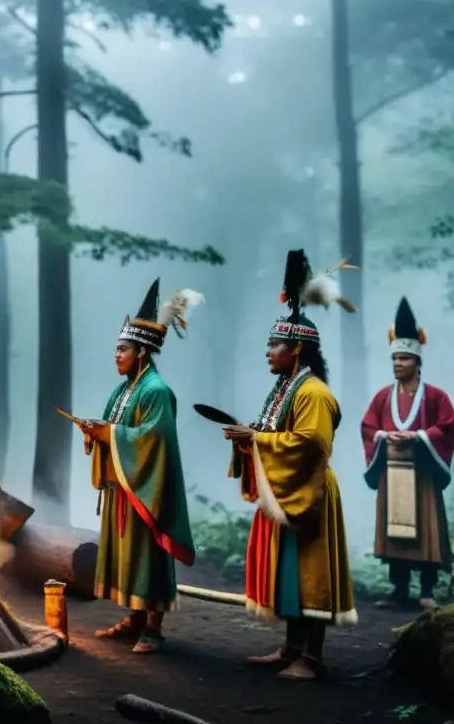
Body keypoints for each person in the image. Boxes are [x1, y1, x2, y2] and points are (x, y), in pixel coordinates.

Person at [222, 249, 357, 681]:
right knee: (291, 575)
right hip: (289, 489)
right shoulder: (285, 388)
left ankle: (310, 658)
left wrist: (256, 438)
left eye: (274, 344)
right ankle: (290, 648)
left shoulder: (312, 392)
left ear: (296, 349)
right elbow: (277, 433)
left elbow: (312, 444)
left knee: (310, 575)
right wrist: (250, 438)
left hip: (309, 491)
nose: (268, 352)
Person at [76, 279, 200, 654]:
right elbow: (114, 427)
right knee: (127, 558)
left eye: (122, 349)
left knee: (149, 558)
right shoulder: (125, 388)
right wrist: (95, 432)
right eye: (116, 349)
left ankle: (153, 628)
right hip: (122, 486)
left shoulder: (156, 391)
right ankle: (133, 619)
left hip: (146, 488)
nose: (116, 355)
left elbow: (154, 438)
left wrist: (109, 433)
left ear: (142, 353)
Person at [361, 297, 453, 610]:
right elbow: (367, 427)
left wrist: (420, 436)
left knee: (426, 528)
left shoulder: (436, 397)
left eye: (404, 358)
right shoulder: (382, 398)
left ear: (417, 361)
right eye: (395, 359)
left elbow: (449, 427)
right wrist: (383, 436)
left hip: (422, 472)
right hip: (392, 472)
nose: (398, 363)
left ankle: (427, 589)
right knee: (394, 527)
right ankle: (399, 588)